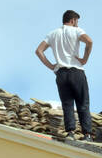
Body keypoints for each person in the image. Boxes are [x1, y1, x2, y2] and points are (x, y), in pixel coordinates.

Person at [36, 11, 94, 139]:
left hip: (61, 73)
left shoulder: (52, 34)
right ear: (73, 20)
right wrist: (84, 59)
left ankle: (71, 133)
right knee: (83, 103)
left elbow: (39, 51)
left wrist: (51, 66)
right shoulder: (76, 31)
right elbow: (89, 41)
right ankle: (87, 134)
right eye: (77, 22)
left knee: (67, 104)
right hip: (76, 71)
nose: (77, 24)